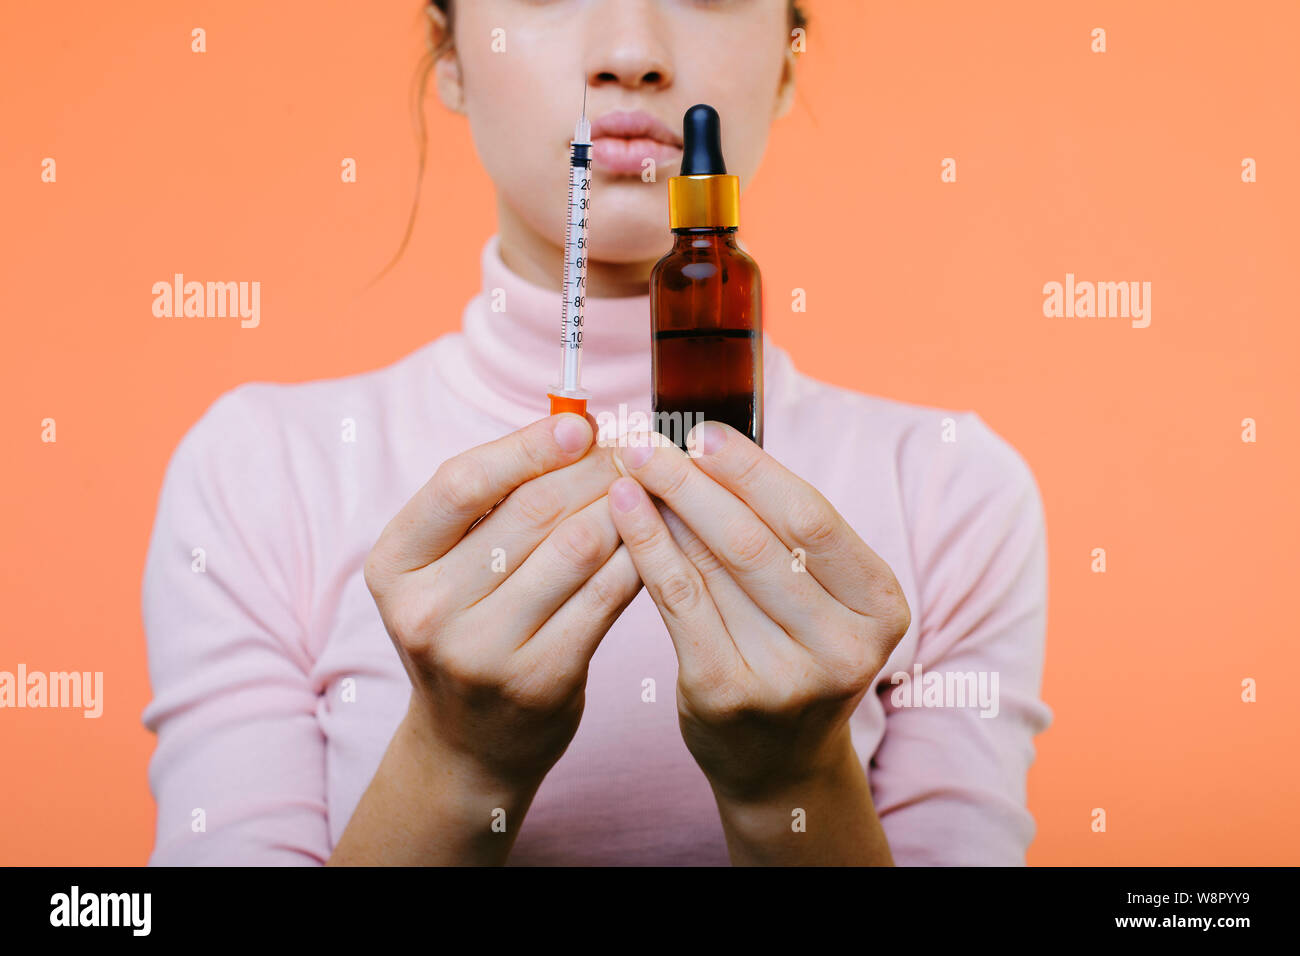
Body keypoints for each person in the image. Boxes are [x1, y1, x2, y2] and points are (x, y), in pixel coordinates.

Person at [141, 0, 1051, 866]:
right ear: (450, 51)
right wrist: (459, 765)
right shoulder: (258, 474)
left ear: (787, 56)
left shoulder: (950, 489)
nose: (629, 48)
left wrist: (790, 782)